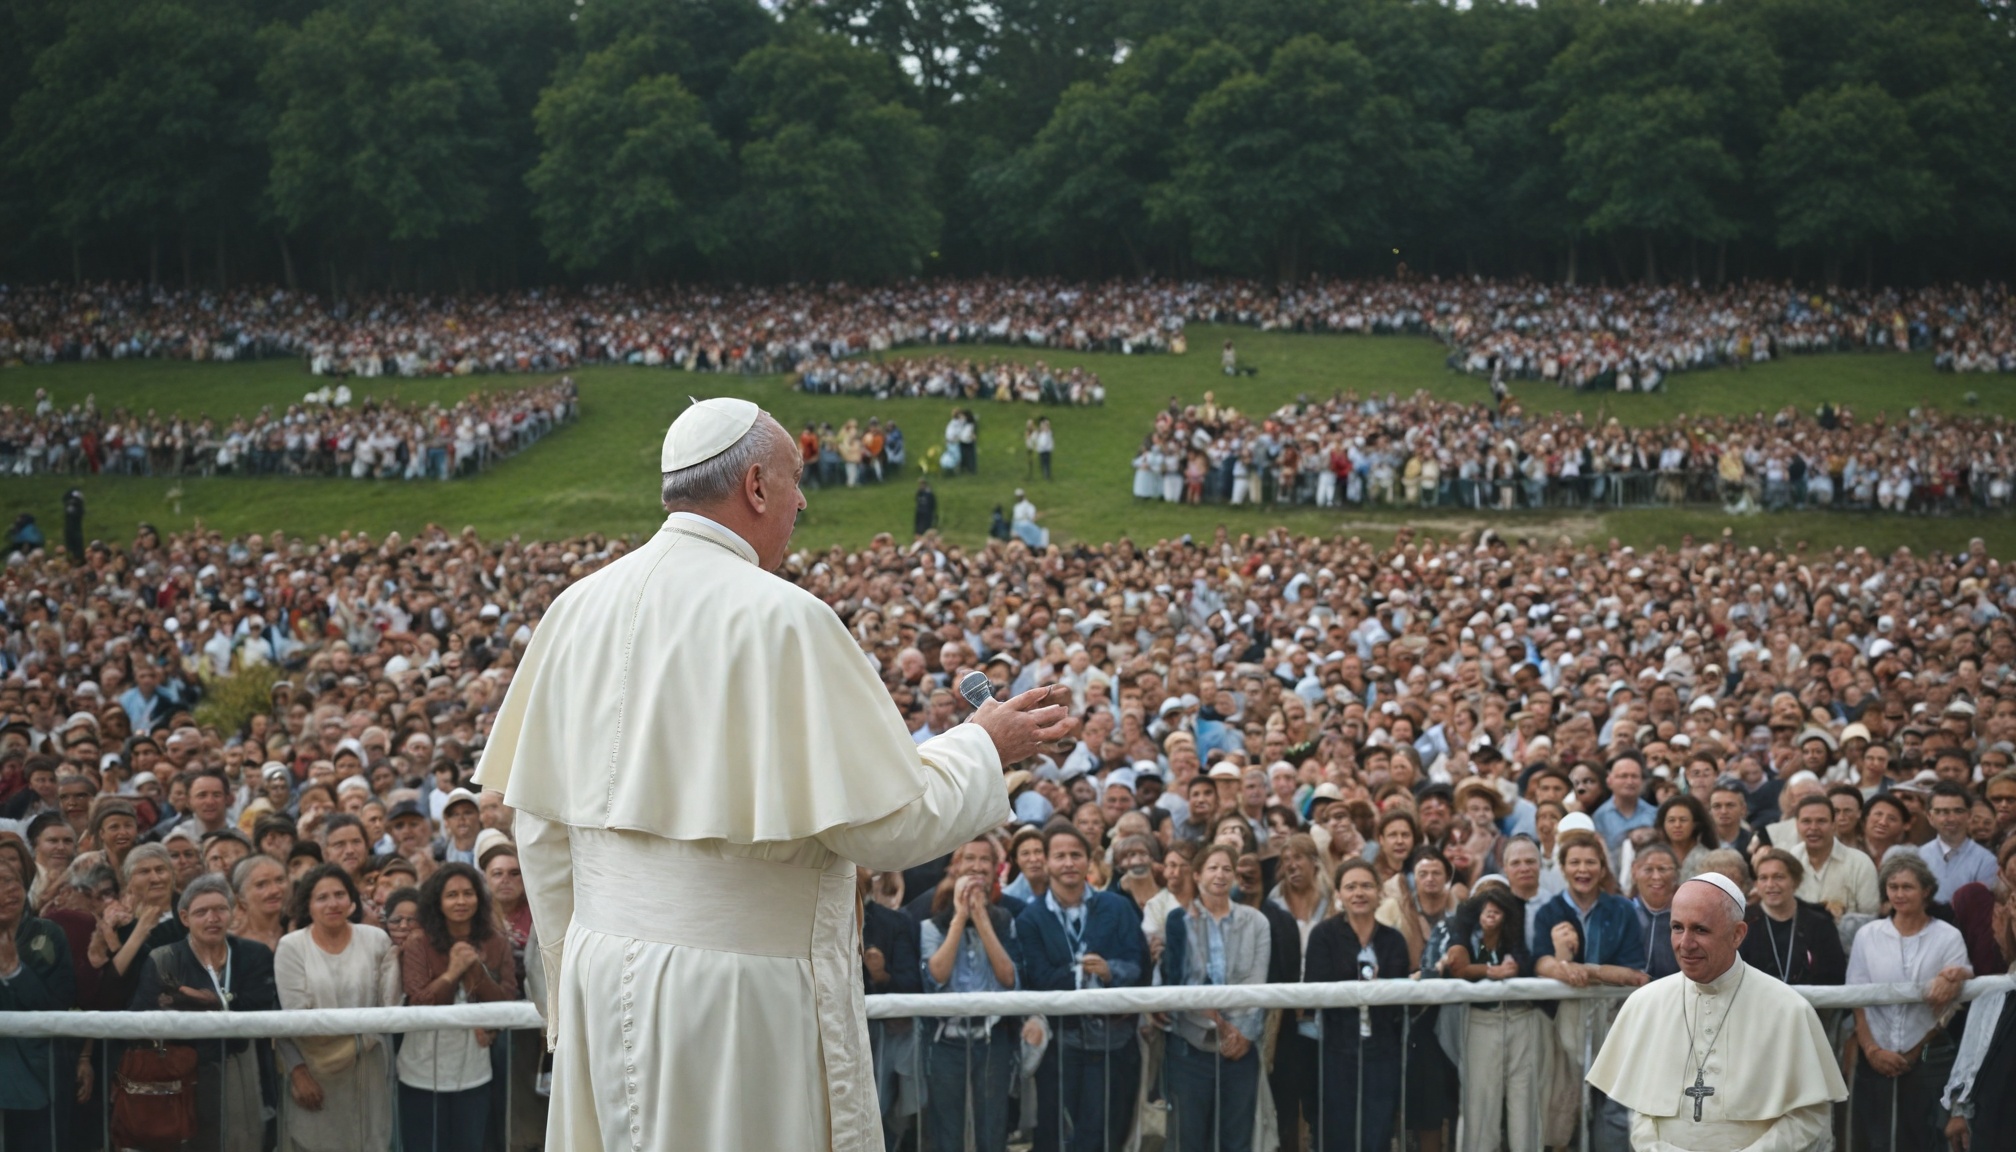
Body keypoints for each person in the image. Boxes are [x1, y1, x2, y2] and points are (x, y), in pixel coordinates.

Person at [475, 399, 1074, 1152]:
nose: (803, 499)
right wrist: (984, 743)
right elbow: (888, 825)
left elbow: (540, 826)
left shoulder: (573, 608)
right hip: (737, 1002)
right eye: (795, 480)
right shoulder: (785, 618)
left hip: (602, 977)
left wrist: (570, 981)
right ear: (756, 485)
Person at [1586, 874, 1848, 1150]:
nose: (1685, 943)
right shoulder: (1646, 1004)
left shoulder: (1787, 1009)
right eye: (1677, 927)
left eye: (1700, 930)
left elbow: (1809, 1117)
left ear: (1737, 934)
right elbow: (1640, 1109)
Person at [1014, 824, 1145, 1152]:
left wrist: (1110, 971)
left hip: (1113, 1043)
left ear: (1089, 861)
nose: (1068, 862)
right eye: (1060, 856)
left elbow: (1138, 962)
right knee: (1056, 1132)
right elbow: (1038, 978)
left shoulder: (1117, 906)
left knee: (1105, 1132)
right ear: (1046, 862)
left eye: (1076, 855)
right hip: (1061, 1043)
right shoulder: (1031, 918)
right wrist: (1078, 974)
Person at [128, 873, 278, 1152]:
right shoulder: (164, 958)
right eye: (202, 912)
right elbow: (143, 1014)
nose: (213, 918)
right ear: (184, 918)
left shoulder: (254, 954)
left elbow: (258, 1008)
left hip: (241, 1066)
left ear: (231, 914)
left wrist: (212, 1003)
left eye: (220, 909)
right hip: (181, 1071)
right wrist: (219, 1005)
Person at [1847, 853, 1974, 1152]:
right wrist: (1872, 1049)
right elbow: (1856, 998)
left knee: (1923, 1136)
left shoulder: (1948, 936)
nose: (1899, 894)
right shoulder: (1868, 935)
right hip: (1873, 1055)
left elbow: (1952, 1000)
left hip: (1928, 1054)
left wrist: (1915, 1050)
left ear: (1926, 890)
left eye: (1908, 887)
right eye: (1893, 887)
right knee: (1875, 1135)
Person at [274, 863, 402, 1152]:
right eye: (322, 897)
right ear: (308, 905)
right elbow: (296, 1020)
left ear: (351, 900)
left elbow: (389, 1007)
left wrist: (398, 957)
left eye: (339, 894)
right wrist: (299, 1073)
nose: (332, 903)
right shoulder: (291, 947)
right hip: (315, 1072)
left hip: (369, 1068)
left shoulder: (376, 939)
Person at [1157, 842, 1269, 1152]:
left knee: (1236, 1138)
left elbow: (1256, 984)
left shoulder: (1256, 922)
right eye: (1213, 868)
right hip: (1190, 1046)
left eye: (1227, 869)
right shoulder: (1178, 920)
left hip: (1241, 1049)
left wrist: (1242, 1035)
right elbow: (1185, 981)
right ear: (1197, 875)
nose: (1220, 874)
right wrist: (1221, 1025)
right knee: (1188, 1139)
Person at [398, 862, 518, 1152]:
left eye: (468, 893)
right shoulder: (418, 942)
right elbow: (419, 1003)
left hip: (474, 1072)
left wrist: (476, 970)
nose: (461, 901)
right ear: (437, 901)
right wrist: (452, 973)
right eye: (452, 895)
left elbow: (507, 1001)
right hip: (421, 1072)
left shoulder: (496, 941)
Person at [918, 836, 1018, 1152]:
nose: (977, 867)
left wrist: (983, 920)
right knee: (948, 1131)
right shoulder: (931, 924)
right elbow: (936, 976)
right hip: (946, 1042)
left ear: (994, 869)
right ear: (956, 868)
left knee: (992, 1130)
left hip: (991, 1040)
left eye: (984, 860)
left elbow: (1009, 979)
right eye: (969, 859)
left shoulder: (1006, 920)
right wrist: (961, 917)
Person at [1303, 858, 1409, 1152]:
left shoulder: (1394, 940)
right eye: (1350, 887)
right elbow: (1316, 988)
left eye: (1366, 886)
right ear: (1338, 894)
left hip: (1382, 1050)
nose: (1359, 893)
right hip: (1337, 1050)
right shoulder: (1323, 936)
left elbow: (1399, 999)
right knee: (1337, 1132)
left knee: (1378, 1132)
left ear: (1379, 893)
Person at [1444, 885, 1540, 1152]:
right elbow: (1457, 966)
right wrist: (1491, 971)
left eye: (1498, 907)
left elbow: (1525, 961)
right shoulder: (1463, 934)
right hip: (1481, 1019)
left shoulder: (1517, 931)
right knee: (1479, 1107)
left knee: (1525, 1106)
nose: (1492, 913)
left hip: (1522, 1017)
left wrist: (1513, 968)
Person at [0, 852, 76, 1150]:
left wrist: (15, 972)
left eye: (9, 881)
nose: (5, 892)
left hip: (38, 1078)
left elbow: (59, 1005)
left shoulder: (49, 934)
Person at [1738, 848, 1846, 985]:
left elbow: (1834, 977)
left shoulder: (1820, 924)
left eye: (1779, 877)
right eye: (1763, 878)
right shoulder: (1743, 923)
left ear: (1795, 881)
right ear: (1756, 884)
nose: (1770, 885)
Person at [1785, 793, 1880, 918]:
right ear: (1797, 825)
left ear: (1833, 825)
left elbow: (1870, 916)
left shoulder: (1860, 863)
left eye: (1821, 821)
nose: (1813, 828)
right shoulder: (1790, 860)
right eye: (1806, 821)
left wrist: (1843, 914)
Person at [1925, 781, 1999, 901]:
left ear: (1969, 815)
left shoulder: (1986, 861)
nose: (1951, 818)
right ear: (1930, 817)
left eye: (1958, 811)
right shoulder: (1917, 857)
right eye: (1942, 812)